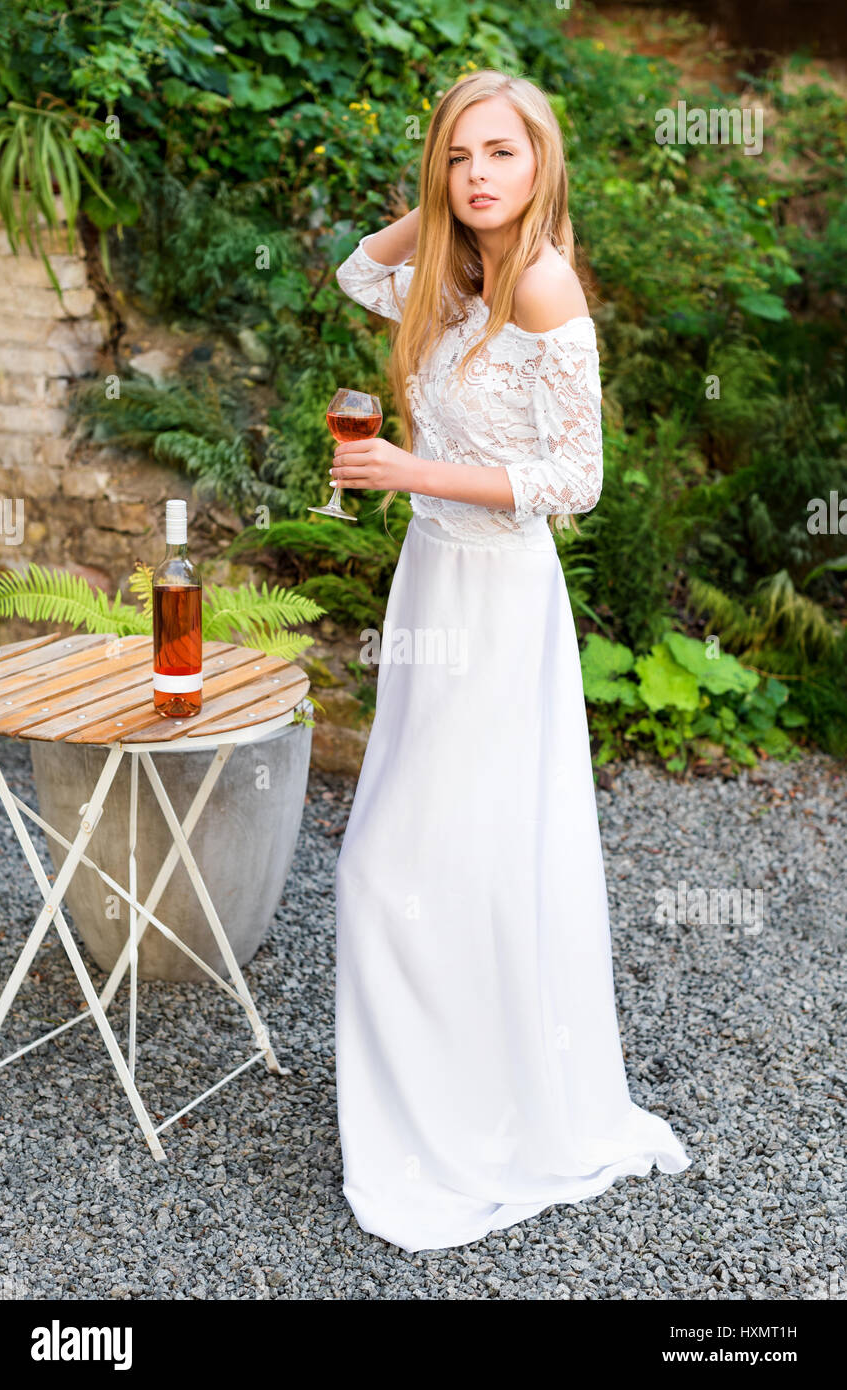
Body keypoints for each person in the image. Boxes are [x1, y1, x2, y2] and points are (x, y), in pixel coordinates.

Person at [331, 68, 690, 1255]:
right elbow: (355, 270)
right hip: (432, 579)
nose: (478, 174)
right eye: (456, 155)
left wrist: (407, 472)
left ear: (542, 167)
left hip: (495, 599)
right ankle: (446, 1087)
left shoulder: (538, 285)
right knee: (447, 853)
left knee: (398, 864)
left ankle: (475, 1116)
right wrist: (439, 211)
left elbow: (570, 484)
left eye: (500, 154)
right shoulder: (456, 272)